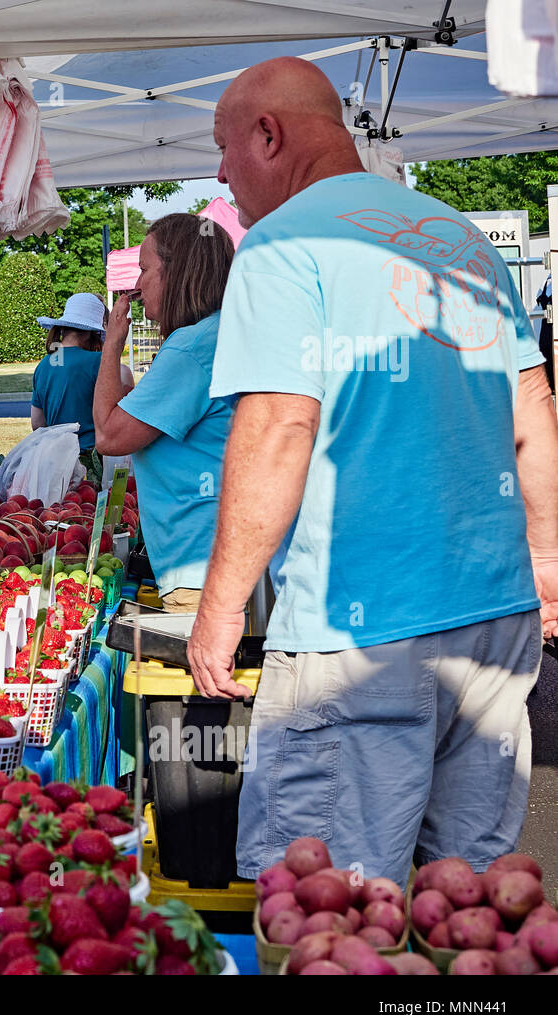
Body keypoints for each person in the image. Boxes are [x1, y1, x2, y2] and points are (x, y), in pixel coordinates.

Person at [184, 57, 558, 883]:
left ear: (268, 134)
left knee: (328, 909)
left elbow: (280, 424)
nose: (219, 172)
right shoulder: (458, 237)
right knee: (465, 903)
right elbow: (529, 401)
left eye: (221, 146)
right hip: (493, 621)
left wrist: (218, 609)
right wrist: (548, 560)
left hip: (361, 640)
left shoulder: (284, 246)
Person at [92, 214, 235, 613]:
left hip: (200, 572)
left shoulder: (191, 348)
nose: (137, 284)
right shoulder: (219, 333)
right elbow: (134, 415)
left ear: (177, 270)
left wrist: (111, 347)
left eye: (144, 269)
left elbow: (108, 435)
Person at [31, 292, 115, 484]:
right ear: (90, 333)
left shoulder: (43, 365)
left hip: (55, 462)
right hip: (93, 464)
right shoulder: (99, 362)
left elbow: (37, 423)